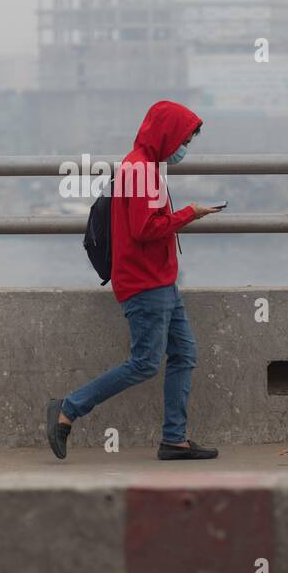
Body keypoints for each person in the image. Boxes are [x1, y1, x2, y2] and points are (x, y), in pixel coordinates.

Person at [46, 100, 223, 461]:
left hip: (160, 281)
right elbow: (146, 229)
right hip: (145, 284)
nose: (184, 149)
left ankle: (174, 440)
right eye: (184, 140)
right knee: (144, 362)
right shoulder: (140, 171)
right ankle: (68, 409)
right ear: (167, 135)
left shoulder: (144, 167)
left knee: (184, 354)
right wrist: (191, 213)